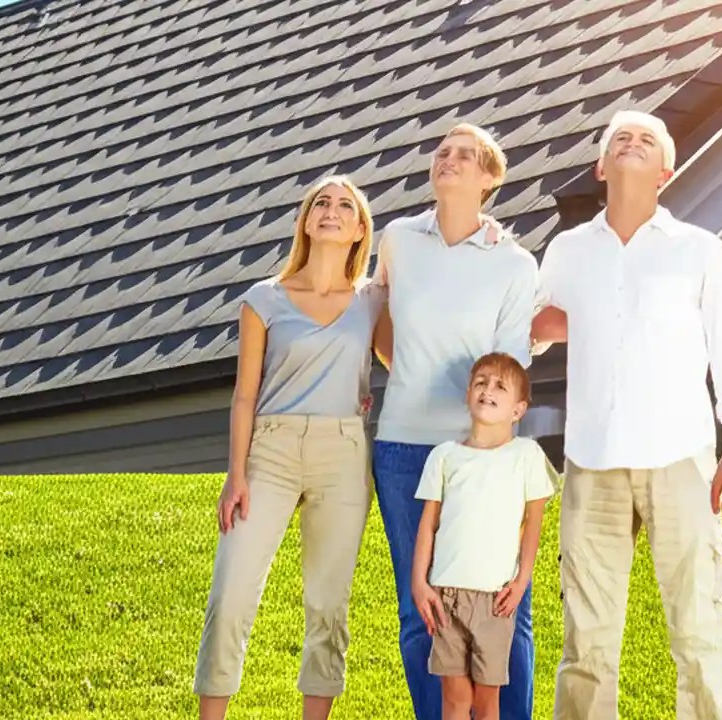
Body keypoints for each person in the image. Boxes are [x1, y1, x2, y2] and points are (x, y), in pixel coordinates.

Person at [533, 110, 722, 720]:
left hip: (679, 457)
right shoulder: (567, 251)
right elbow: (529, 328)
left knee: (697, 630)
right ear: (601, 166)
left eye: (646, 141)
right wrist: (549, 322)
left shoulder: (698, 250)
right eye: (619, 140)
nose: (631, 145)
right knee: (586, 638)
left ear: (666, 171)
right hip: (593, 460)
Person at [193, 176, 386, 720]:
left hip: (343, 454)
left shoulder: (372, 301)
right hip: (270, 452)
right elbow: (244, 395)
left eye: (345, 206)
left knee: (328, 605)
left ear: (358, 231)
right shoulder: (264, 299)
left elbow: (406, 361)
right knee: (231, 592)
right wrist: (236, 474)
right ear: (305, 221)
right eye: (320, 203)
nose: (331, 210)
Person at [369, 123, 540, 720]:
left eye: (466, 155)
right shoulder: (398, 239)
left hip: (483, 457)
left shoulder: (514, 265)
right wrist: (408, 373)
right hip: (403, 448)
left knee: (501, 606)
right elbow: (380, 320)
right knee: (422, 610)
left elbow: (510, 364)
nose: (450, 159)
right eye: (443, 151)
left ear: (490, 179)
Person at [410, 351, 560, 720]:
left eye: (500, 386)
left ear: (518, 410)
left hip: (495, 599)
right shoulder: (445, 456)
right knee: (455, 697)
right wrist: (419, 582)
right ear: (467, 395)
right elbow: (428, 524)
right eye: (480, 383)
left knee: (487, 700)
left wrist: (522, 581)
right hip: (446, 596)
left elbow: (533, 526)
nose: (487, 390)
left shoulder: (526, 455)